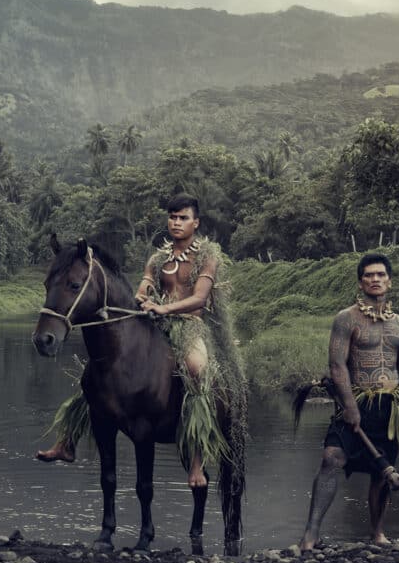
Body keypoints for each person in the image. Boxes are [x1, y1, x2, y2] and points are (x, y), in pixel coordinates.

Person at [37, 195, 244, 479]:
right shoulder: (158, 258)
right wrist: (140, 302)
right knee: (95, 374)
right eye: (172, 217)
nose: (176, 222)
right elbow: (144, 288)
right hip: (156, 323)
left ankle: (196, 458)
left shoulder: (207, 256)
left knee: (197, 368)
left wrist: (164, 307)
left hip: (191, 326)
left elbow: (199, 298)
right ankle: (67, 440)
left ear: (195, 222)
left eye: (183, 218)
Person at [300, 254, 399, 550]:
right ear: (360, 281)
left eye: (380, 275)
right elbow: (337, 364)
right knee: (331, 458)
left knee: (383, 472)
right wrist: (350, 406)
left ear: (389, 281)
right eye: (369, 275)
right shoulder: (346, 319)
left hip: (389, 407)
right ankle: (311, 534)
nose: (375, 279)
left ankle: (377, 532)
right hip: (354, 401)